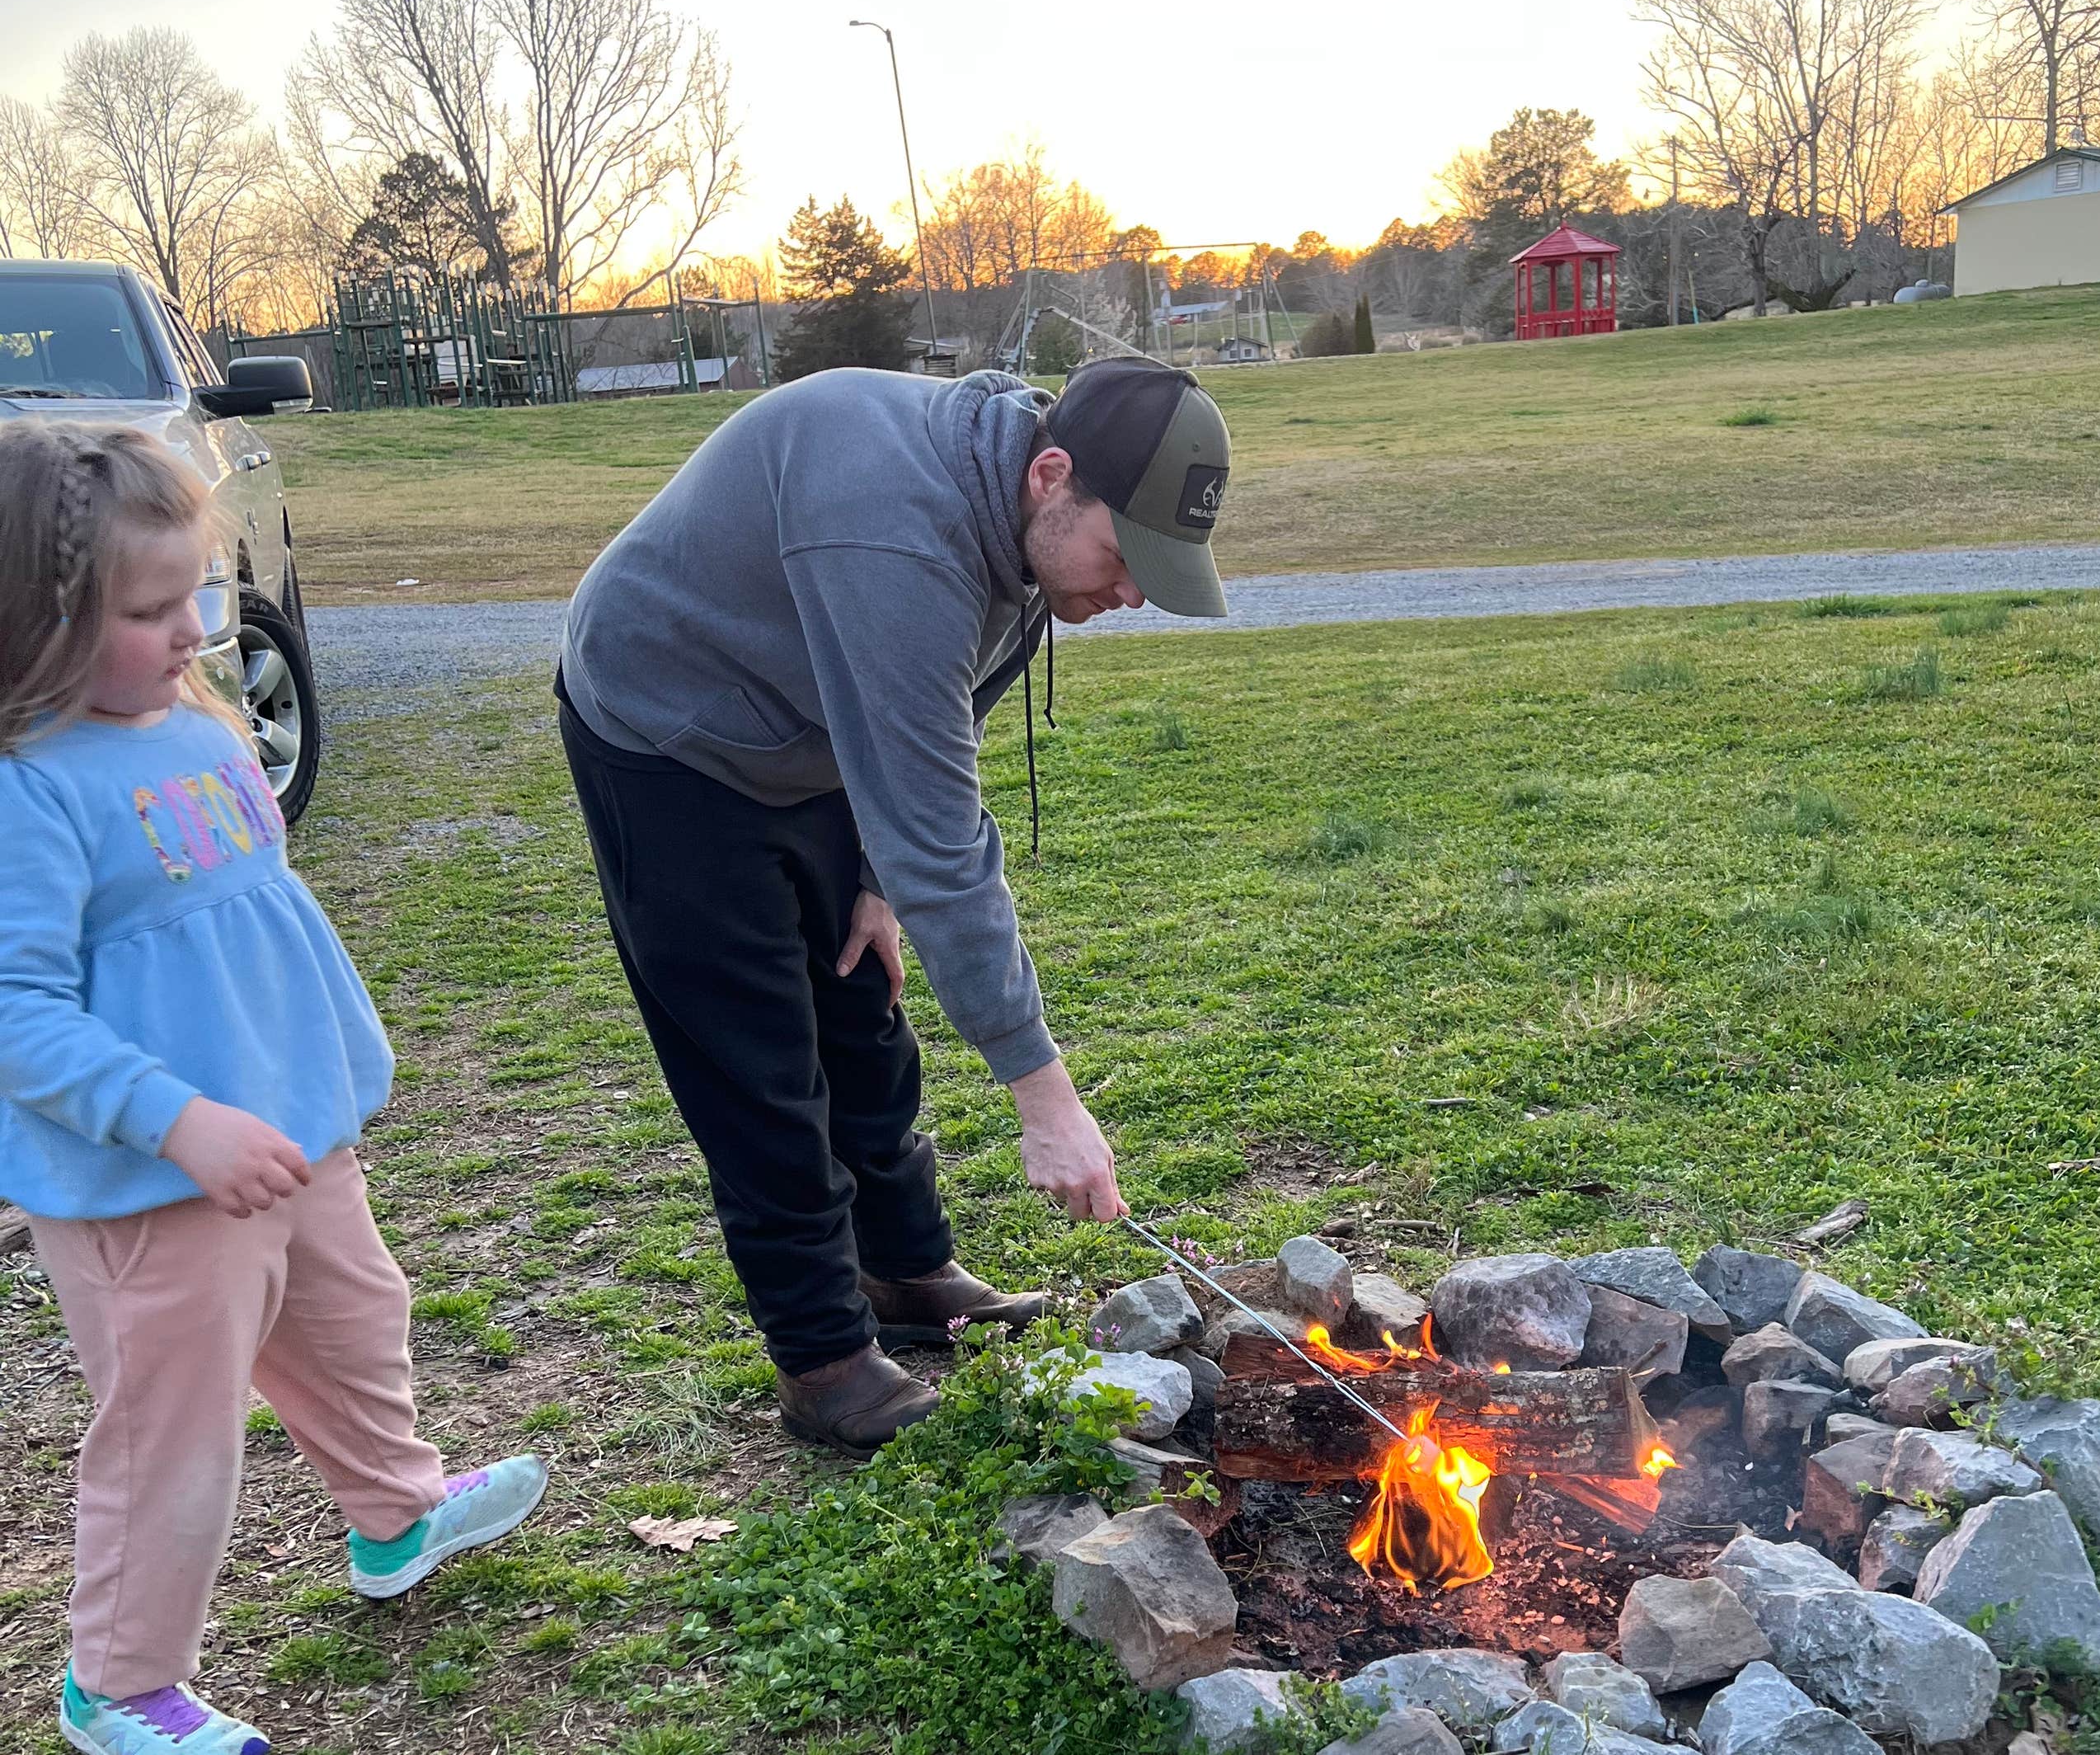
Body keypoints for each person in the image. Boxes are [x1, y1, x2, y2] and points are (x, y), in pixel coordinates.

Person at [558, 356, 1232, 1451]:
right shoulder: (895, 532)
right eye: (1124, 555)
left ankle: (906, 1273)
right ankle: (822, 1362)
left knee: (859, 1007)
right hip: (666, 728)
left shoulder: (1021, 531)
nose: (1131, 591)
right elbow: (945, 845)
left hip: (812, 723)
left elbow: (947, 720)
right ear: (1050, 474)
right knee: (760, 1055)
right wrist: (1046, 1099)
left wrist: (870, 878)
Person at [0, 422, 549, 1755]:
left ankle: (395, 1514)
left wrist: (321, 1068)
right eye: (145, 610)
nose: (190, 629)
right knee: (173, 1433)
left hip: (293, 1138)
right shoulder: (26, 788)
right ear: (33, 621)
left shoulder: (193, 724)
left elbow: (250, 919)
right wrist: (178, 1118)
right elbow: (17, 1014)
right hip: (151, 1179)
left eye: (195, 591)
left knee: (355, 1321)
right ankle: (117, 1684)